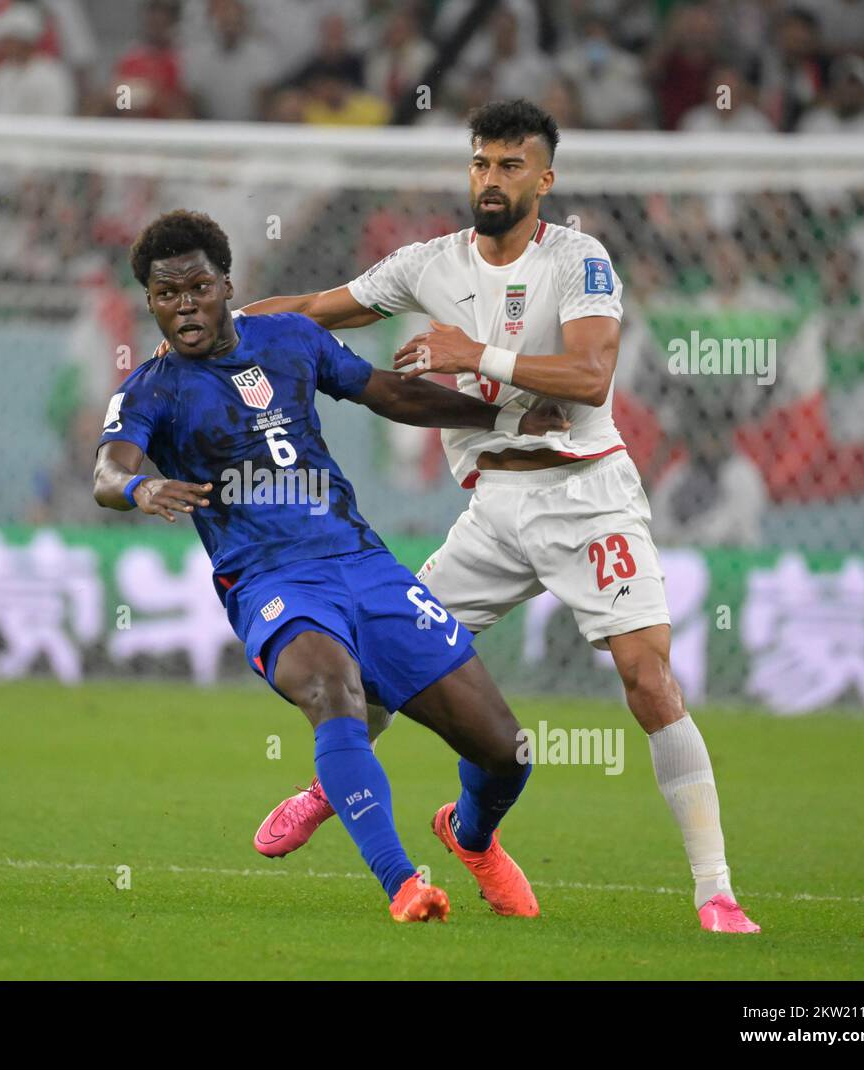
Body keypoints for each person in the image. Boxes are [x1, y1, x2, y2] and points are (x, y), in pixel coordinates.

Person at [239, 99, 760, 934]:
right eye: (481, 162)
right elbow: (317, 306)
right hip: (492, 510)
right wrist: (215, 329)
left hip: (588, 497)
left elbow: (589, 376)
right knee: (380, 667)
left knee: (647, 677)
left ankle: (715, 890)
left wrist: (472, 353)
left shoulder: (579, 260)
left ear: (544, 179)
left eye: (511, 165)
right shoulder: (429, 264)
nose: (491, 178)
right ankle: (329, 789)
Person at [93, 209, 570, 921]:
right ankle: (404, 884)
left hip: (362, 562)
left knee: (508, 751)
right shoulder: (150, 390)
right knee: (331, 692)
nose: (184, 306)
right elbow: (107, 472)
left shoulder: (290, 338)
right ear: (151, 302)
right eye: (166, 295)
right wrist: (140, 488)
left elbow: (389, 391)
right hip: (270, 582)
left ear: (228, 286)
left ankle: (471, 836)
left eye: (197, 288)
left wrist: (505, 419)